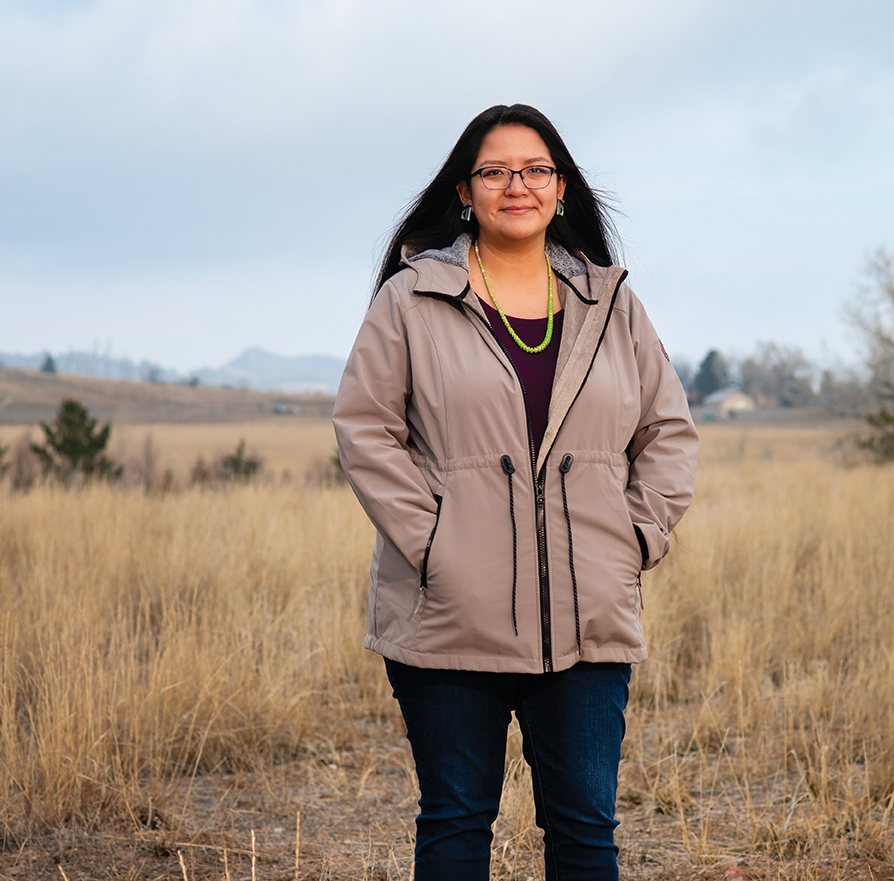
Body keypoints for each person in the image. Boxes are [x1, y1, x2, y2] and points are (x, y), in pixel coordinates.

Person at [332, 103, 698, 881]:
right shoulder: (411, 299)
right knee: (458, 825)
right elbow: (365, 429)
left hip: (587, 615)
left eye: (533, 170)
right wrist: (435, 546)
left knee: (585, 831)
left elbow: (668, 433)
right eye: (494, 172)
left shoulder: (612, 304)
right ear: (464, 192)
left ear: (559, 188)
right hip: (448, 614)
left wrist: (633, 541)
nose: (515, 186)